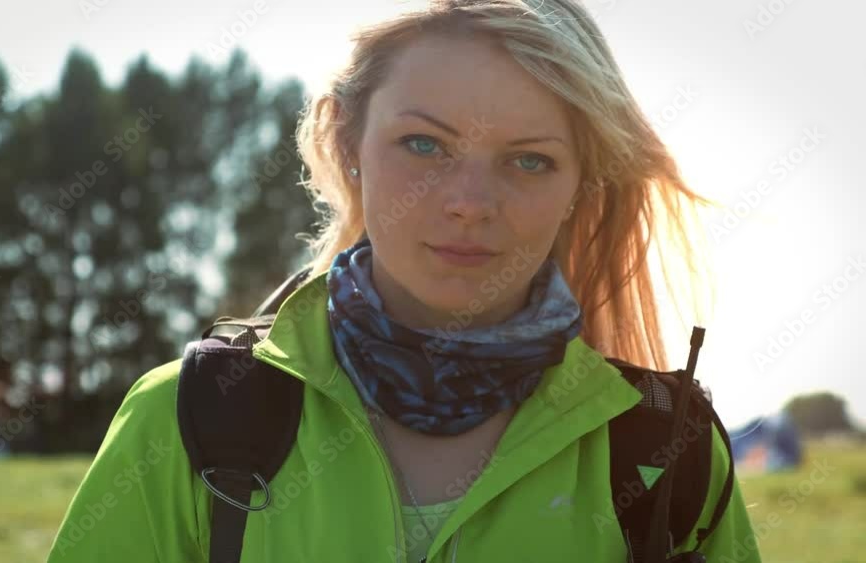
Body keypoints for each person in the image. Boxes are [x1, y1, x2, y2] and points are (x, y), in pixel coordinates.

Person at [47, 1, 762, 561]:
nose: (469, 202)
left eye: (530, 160)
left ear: (582, 184)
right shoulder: (190, 417)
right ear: (347, 146)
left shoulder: (669, 453)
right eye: (424, 144)